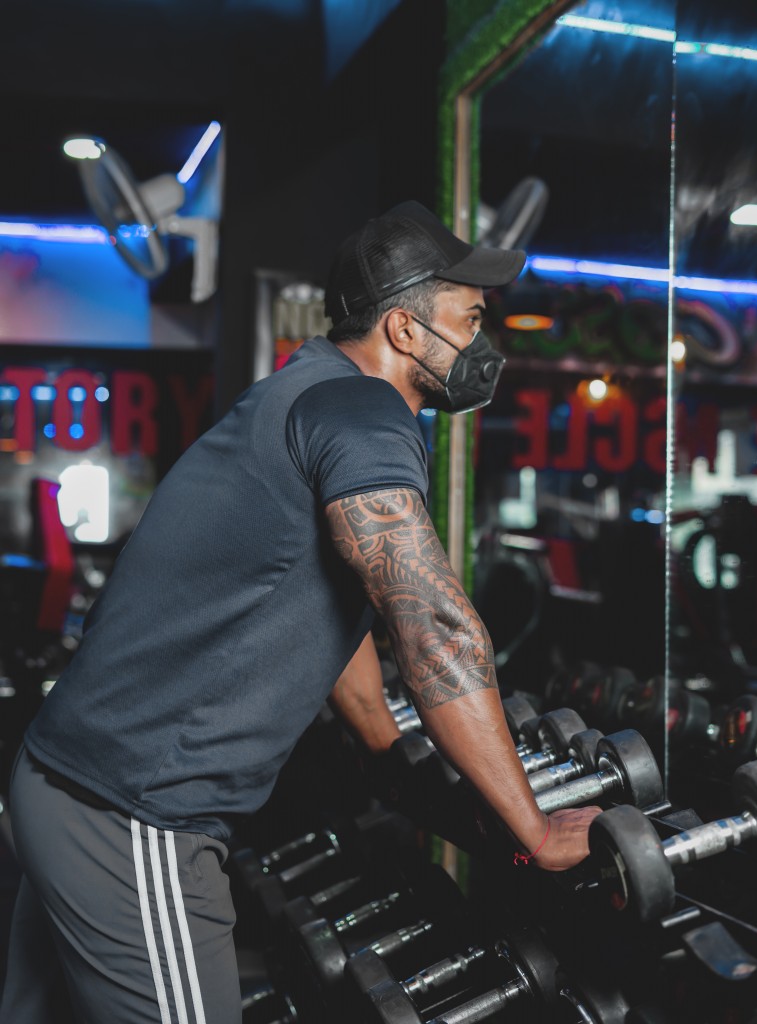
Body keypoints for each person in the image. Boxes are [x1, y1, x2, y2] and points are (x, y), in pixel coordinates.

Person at [0, 201, 600, 1024]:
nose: (485, 342)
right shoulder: (364, 412)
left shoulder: (300, 391)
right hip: (136, 816)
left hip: (64, 779)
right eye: (471, 319)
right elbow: (434, 623)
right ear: (404, 330)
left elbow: (328, 617)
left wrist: (393, 754)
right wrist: (533, 829)